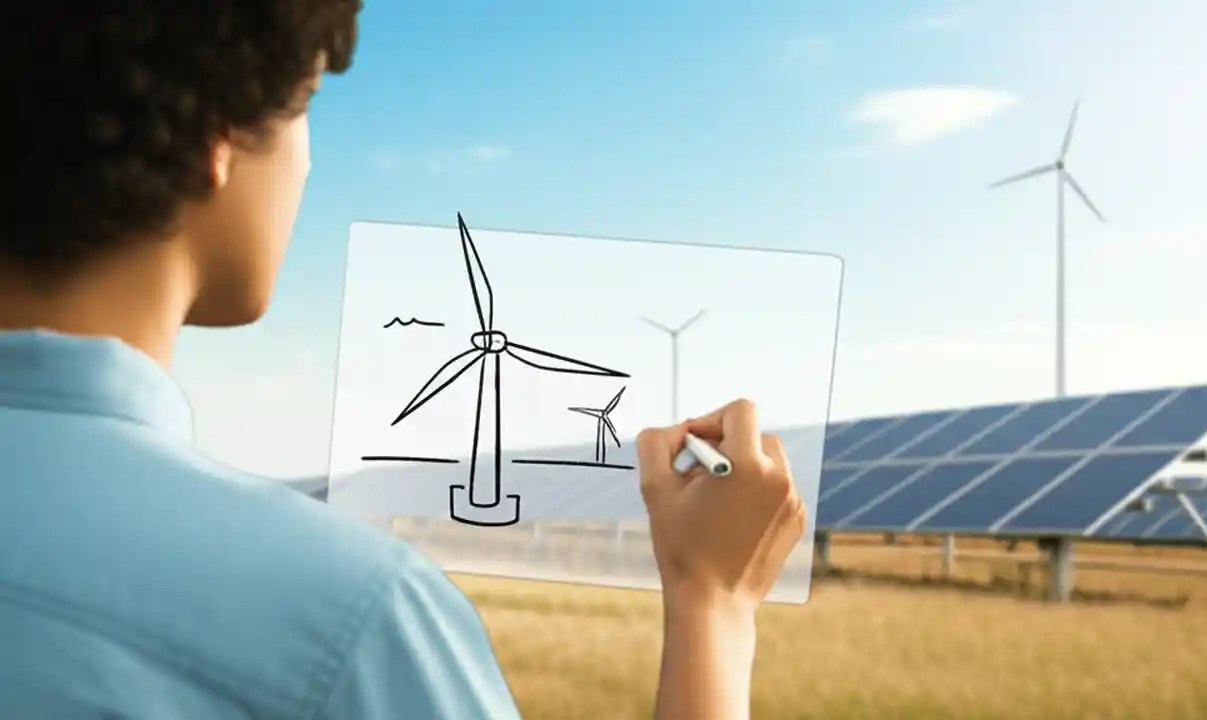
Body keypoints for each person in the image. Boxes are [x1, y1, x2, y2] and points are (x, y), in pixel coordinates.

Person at [0, 3, 807, 718]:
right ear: (215, 139)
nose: (308, 162)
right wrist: (713, 602)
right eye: (308, 104)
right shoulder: (352, 625)